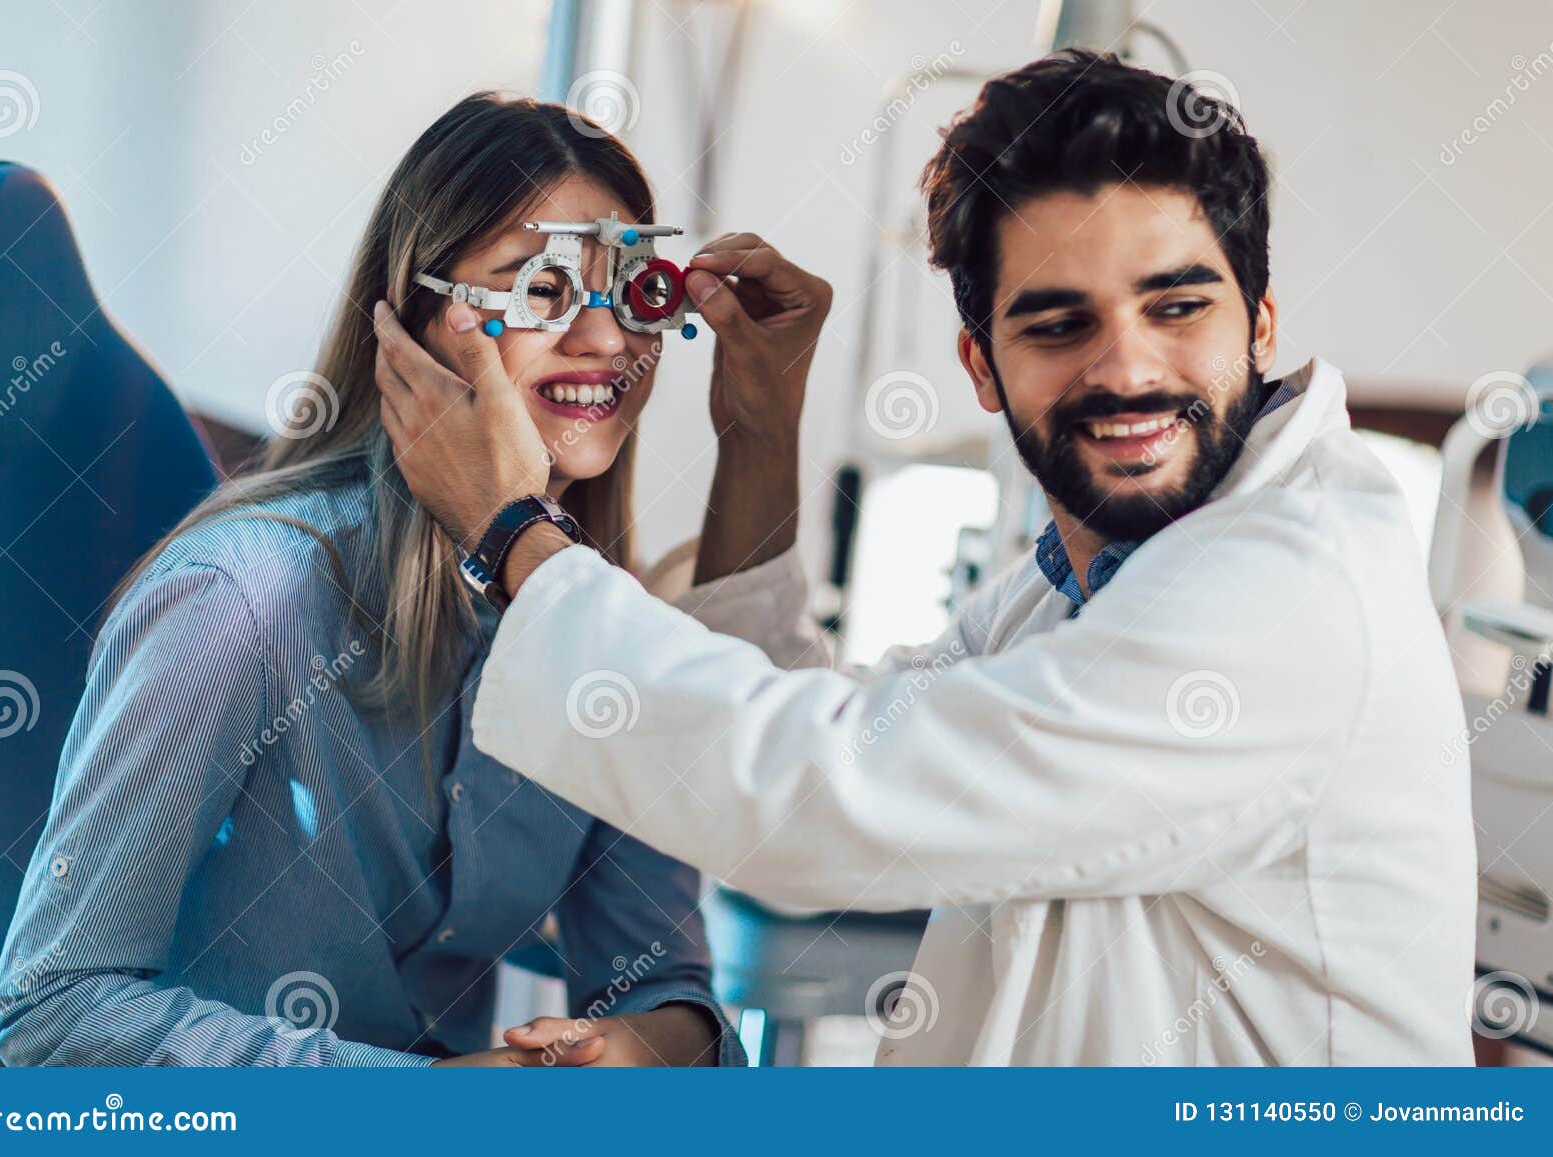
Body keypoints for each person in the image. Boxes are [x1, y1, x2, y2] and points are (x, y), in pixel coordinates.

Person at [369, 52, 1478, 1065]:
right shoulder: (1082, 587)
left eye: (1176, 306)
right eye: (1055, 324)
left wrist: (515, 532)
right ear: (981, 365)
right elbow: (809, 730)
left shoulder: (1286, 593)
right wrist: (762, 426)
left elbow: (829, 800)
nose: (1128, 368)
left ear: (1262, 322)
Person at [0, 93, 739, 1068]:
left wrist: (634, 1046)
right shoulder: (242, 598)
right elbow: (51, 1009)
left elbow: (661, 976)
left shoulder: (597, 628)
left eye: (635, 290)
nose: (605, 343)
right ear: (419, 320)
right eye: (543, 289)